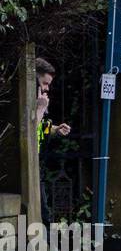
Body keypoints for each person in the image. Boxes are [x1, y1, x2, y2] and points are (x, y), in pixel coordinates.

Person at [34, 58, 71, 226]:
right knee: (43, 214)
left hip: (38, 164)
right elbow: (29, 131)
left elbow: (40, 127)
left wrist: (55, 129)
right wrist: (41, 108)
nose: (47, 88)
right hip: (31, 165)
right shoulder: (31, 101)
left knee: (43, 213)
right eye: (45, 83)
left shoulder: (37, 99)